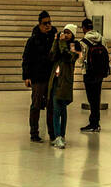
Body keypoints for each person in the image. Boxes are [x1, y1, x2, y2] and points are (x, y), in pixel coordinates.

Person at [22, 10, 55, 143]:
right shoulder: (33, 40)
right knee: (36, 105)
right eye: (45, 23)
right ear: (39, 24)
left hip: (50, 77)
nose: (48, 26)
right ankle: (34, 132)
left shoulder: (54, 38)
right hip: (37, 77)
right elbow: (26, 59)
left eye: (49, 23)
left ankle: (52, 133)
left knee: (51, 106)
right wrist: (27, 76)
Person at [48, 23, 79, 148]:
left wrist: (61, 43)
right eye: (64, 32)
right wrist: (56, 42)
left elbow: (68, 57)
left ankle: (61, 135)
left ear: (73, 35)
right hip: (56, 80)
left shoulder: (75, 46)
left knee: (62, 110)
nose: (65, 35)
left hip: (65, 81)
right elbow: (52, 56)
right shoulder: (61, 43)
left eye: (68, 33)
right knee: (56, 109)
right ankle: (58, 136)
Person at [80, 18, 109, 133]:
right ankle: (96, 122)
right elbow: (106, 52)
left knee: (91, 99)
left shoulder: (83, 41)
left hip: (89, 73)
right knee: (97, 97)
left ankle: (93, 123)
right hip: (100, 72)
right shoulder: (102, 38)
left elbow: (80, 59)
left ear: (84, 28)